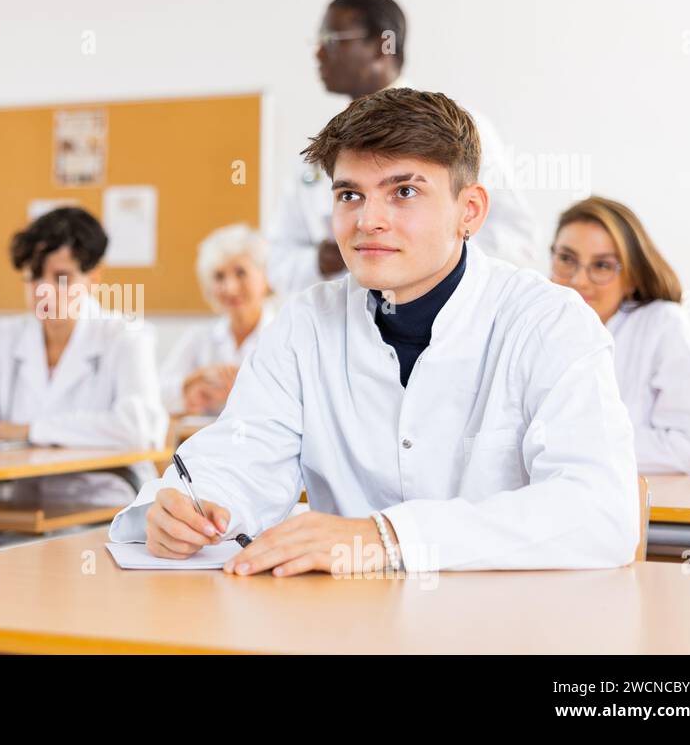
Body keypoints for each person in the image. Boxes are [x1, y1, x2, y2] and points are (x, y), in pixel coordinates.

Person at [109, 88, 639, 576]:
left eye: (403, 191)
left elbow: (599, 512)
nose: (368, 220)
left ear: (469, 211)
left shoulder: (547, 321)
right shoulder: (304, 324)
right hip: (346, 626)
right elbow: (242, 459)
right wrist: (188, 510)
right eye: (349, 195)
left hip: (508, 628)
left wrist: (388, 537)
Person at [268, 0, 537, 296]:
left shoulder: (456, 129)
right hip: (348, 326)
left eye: (333, 39)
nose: (319, 53)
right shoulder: (320, 148)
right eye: (350, 195)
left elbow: (514, 241)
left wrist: (430, 264)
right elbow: (277, 260)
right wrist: (320, 262)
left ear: (382, 45)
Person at [0, 206, 168, 507]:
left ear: (93, 277)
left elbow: (140, 428)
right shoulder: (6, 338)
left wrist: (32, 430)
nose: (44, 290)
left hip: (107, 507)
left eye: (61, 277)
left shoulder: (126, 337)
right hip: (23, 511)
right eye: (34, 276)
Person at [550, 197, 690, 473]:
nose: (578, 280)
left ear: (631, 276)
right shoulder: (538, 327)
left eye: (602, 266)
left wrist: (578, 443)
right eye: (566, 259)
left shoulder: (663, 325)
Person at [159, 224, 275, 415]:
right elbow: (156, 396)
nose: (229, 288)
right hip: (204, 441)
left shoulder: (286, 335)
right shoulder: (199, 337)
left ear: (266, 277)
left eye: (241, 273)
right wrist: (192, 383)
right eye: (219, 276)